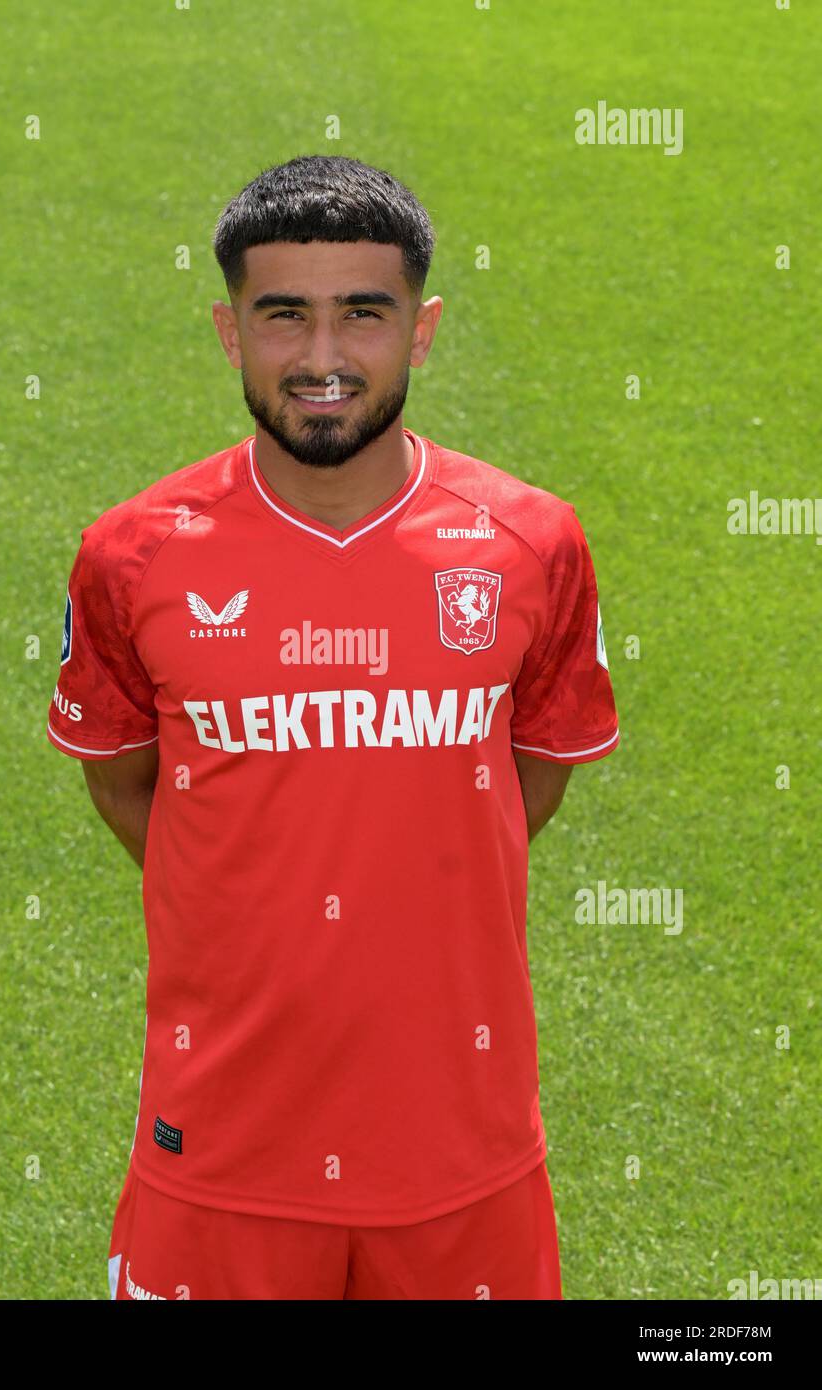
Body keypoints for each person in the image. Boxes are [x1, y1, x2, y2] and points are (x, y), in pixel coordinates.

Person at [46, 155, 619, 1300]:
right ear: (227, 330)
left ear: (424, 326)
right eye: (282, 317)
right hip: (216, 1152)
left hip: (465, 1157)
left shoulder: (532, 544)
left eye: (364, 314)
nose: (321, 360)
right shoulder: (133, 553)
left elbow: (524, 785)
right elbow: (126, 786)